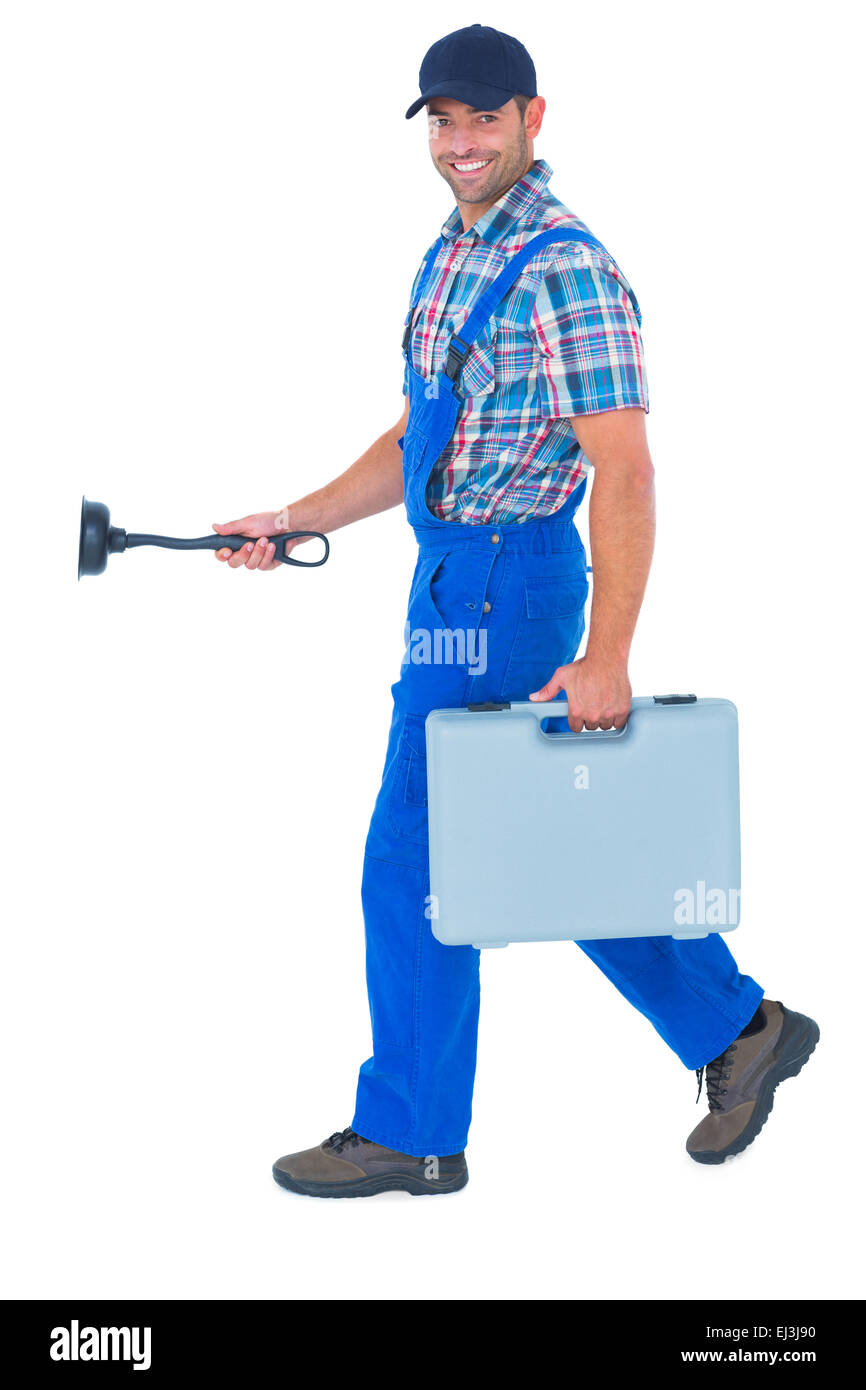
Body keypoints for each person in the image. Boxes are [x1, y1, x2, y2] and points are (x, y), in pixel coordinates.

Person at [212, 24, 819, 1197]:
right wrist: (294, 517)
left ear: (533, 119)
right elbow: (417, 440)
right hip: (449, 582)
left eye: (481, 117)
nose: (458, 141)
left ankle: (414, 1128)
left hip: (511, 588)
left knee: (414, 867)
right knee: (540, 851)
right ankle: (738, 1029)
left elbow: (625, 469)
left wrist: (607, 653)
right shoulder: (451, 253)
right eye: (440, 119)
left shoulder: (566, 268)